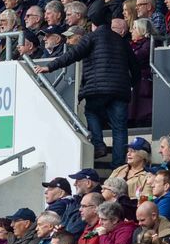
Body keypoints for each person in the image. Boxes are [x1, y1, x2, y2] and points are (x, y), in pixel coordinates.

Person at [33, 11, 136, 166]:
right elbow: (135, 66)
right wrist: (132, 84)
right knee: (120, 128)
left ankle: (99, 145)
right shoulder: (121, 41)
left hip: (96, 88)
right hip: (120, 90)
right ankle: (118, 166)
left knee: (91, 112)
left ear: (93, 24)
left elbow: (72, 55)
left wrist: (49, 67)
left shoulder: (91, 37)